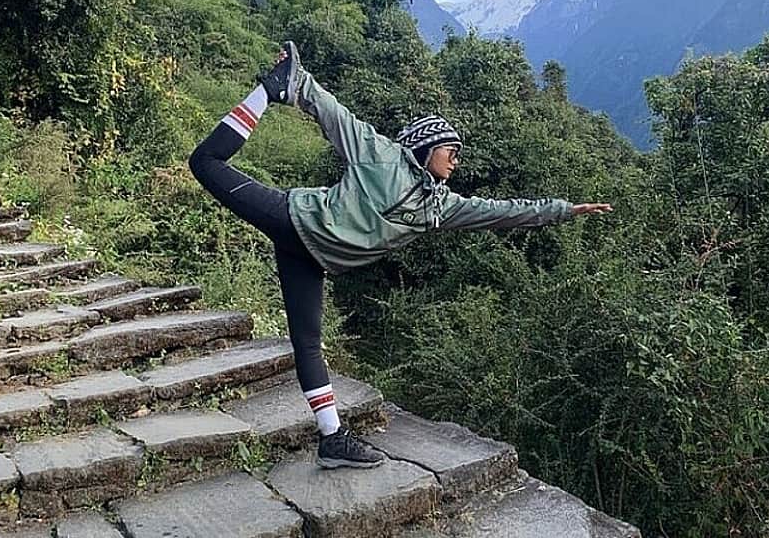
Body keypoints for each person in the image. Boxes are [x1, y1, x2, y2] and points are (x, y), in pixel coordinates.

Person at [188, 42, 613, 469]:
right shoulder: (382, 156)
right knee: (204, 161)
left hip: (313, 256)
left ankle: (333, 439)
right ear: (429, 148)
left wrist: (563, 210)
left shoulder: (439, 208)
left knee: (308, 343)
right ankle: (266, 91)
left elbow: (500, 213)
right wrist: (296, 82)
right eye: (452, 151)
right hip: (293, 218)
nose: (456, 161)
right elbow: (334, 115)